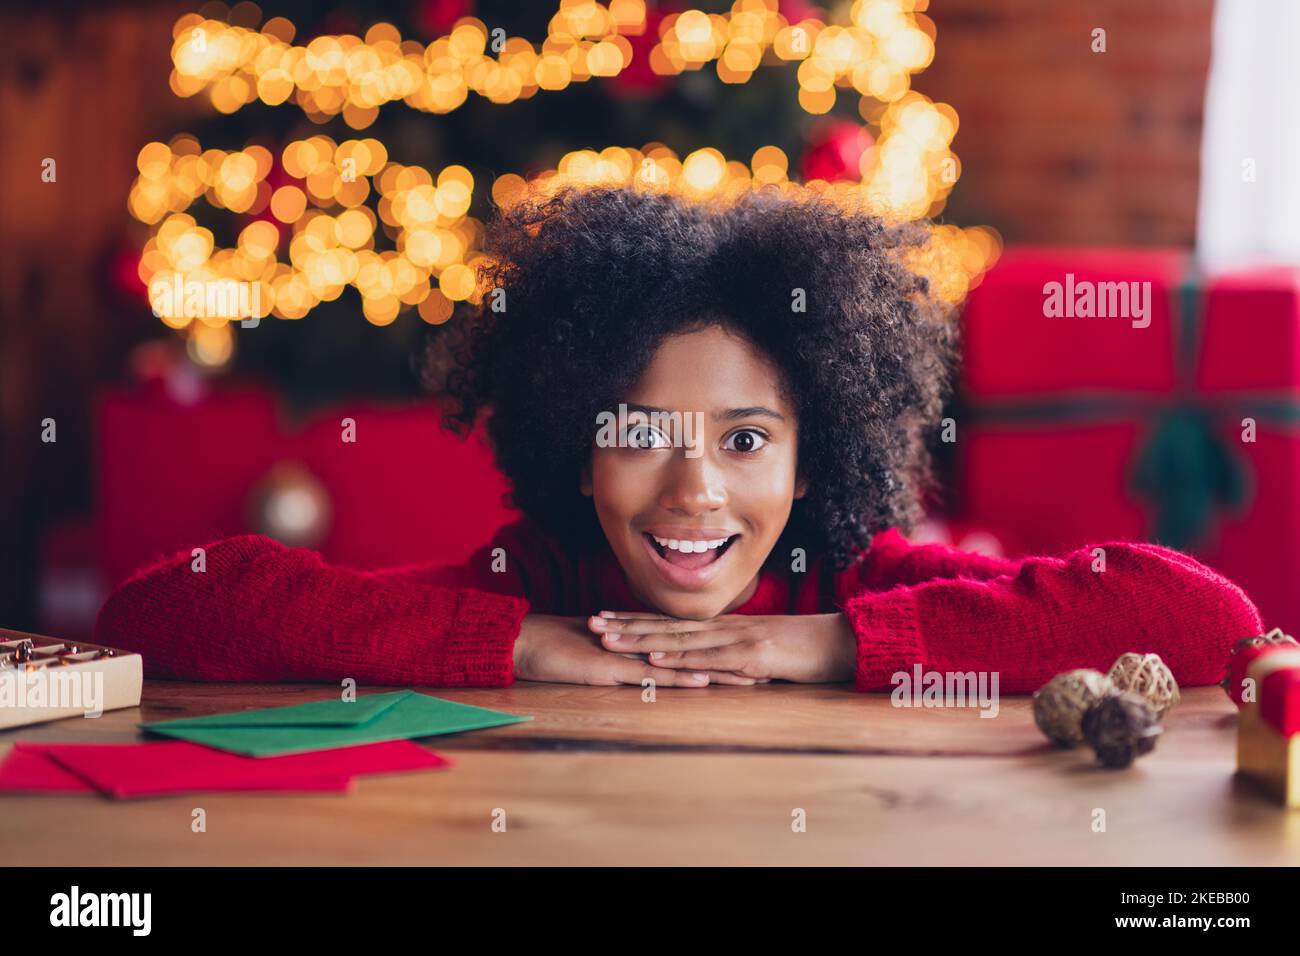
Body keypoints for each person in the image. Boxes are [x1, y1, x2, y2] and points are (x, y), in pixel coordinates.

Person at [95, 184, 1261, 692]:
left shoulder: (850, 581)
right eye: (640, 431)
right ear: (576, 449)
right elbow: (159, 613)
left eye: (747, 439)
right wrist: (520, 644)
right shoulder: (543, 579)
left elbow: (1205, 620)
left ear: (816, 458)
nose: (693, 487)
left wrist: (838, 647)